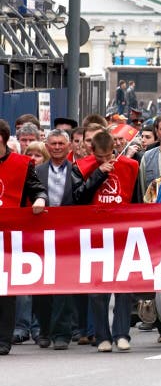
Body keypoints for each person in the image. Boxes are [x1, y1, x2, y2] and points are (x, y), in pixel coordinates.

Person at [73, 129, 141, 353]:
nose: (107, 160)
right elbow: (77, 198)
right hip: (94, 235)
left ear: (115, 149)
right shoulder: (82, 167)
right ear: (92, 151)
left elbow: (138, 201)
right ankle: (102, 336)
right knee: (97, 289)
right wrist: (99, 173)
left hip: (123, 234)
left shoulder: (131, 166)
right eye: (101, 157)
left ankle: (122, 334)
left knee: (124, 285)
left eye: (110, 155)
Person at [0, 119, 47, 356]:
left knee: (6, 291)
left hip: (10, 235)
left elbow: (37, 188)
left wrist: (40, 199)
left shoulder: (22, 163)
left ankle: (3, 339)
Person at [33, 129, 82, 350]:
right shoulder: (36, 171)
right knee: (41, 284)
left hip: (69, 235)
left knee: (65, 284)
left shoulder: (77, 170)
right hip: (41, 235)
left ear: (69, 145)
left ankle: (62, 333)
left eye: (61, 143)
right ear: (47, 145)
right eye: (53, 143)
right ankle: (44, 330)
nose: (57, 147)